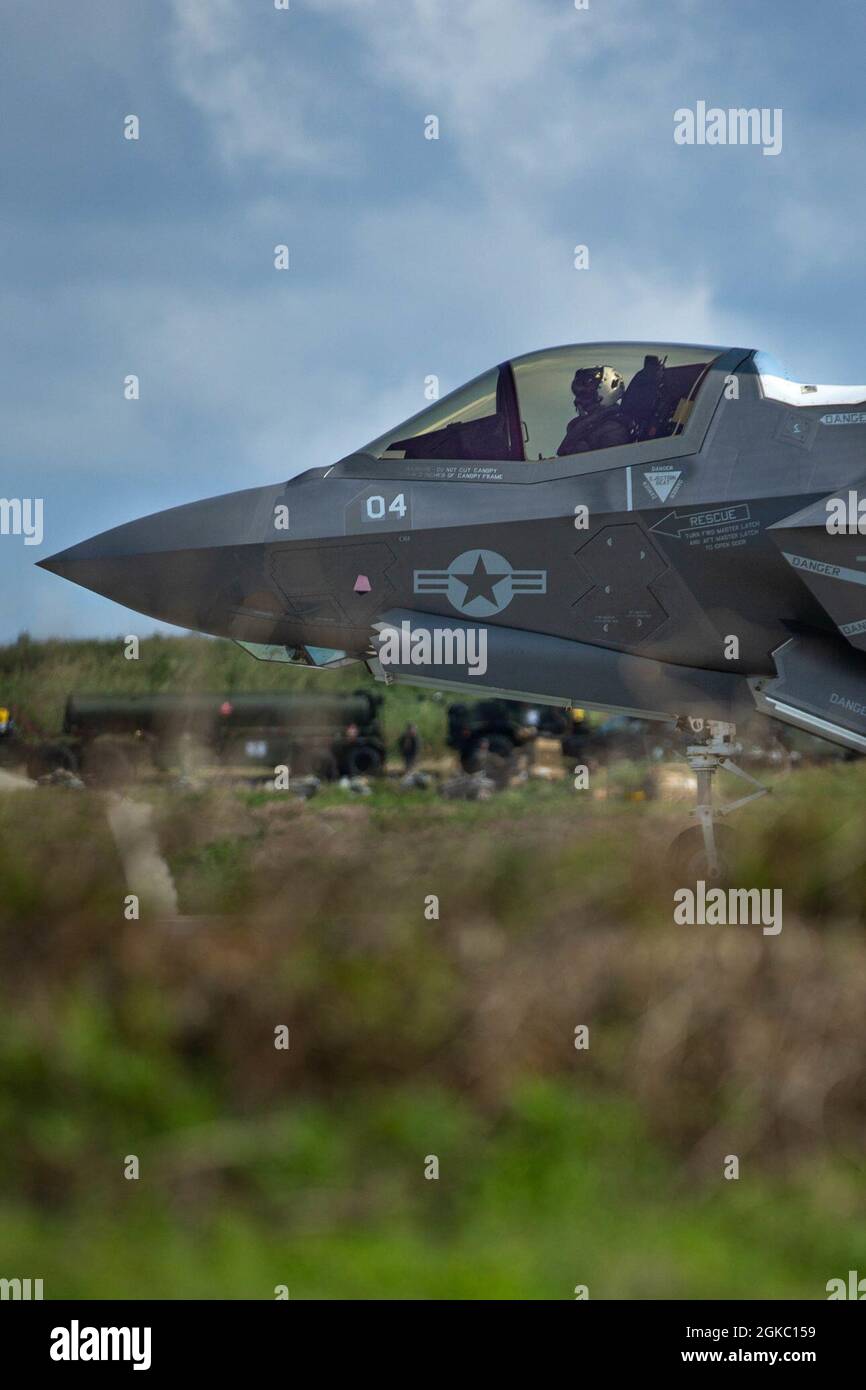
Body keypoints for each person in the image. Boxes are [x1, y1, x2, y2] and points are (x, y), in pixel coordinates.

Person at [557, 364, 630, 456]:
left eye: (585, 395)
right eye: (578, 395)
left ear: (604, 392)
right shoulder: (587, 427)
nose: (578, 401)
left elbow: (606, 465)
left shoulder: (614, 430)